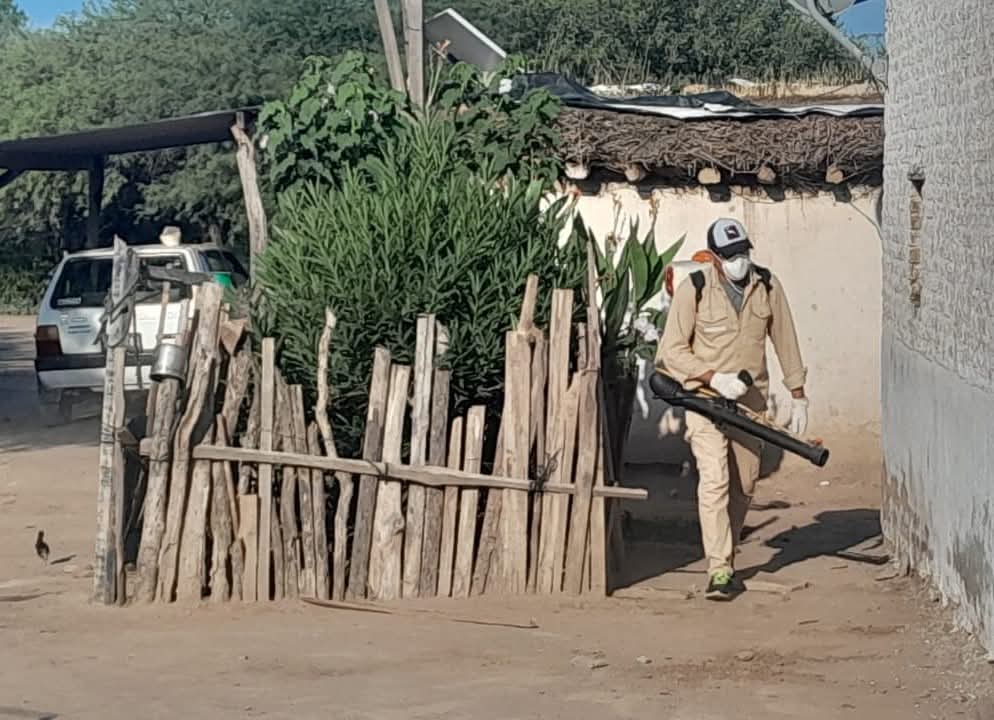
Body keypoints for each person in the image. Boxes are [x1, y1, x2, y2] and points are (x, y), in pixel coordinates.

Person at [656, 218, 809, 600]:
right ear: (714, 258)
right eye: (730, 256)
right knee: (715, 481)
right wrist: (711, 376)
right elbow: (671, 351)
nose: (739, 262)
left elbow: (784, 338)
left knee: (744, 485)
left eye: (743, 253)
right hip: (705, 400)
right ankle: (719, 569)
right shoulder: (694, 288)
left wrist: (798, 391)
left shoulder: (767, 285)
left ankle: (729, 550)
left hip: (750, 405)